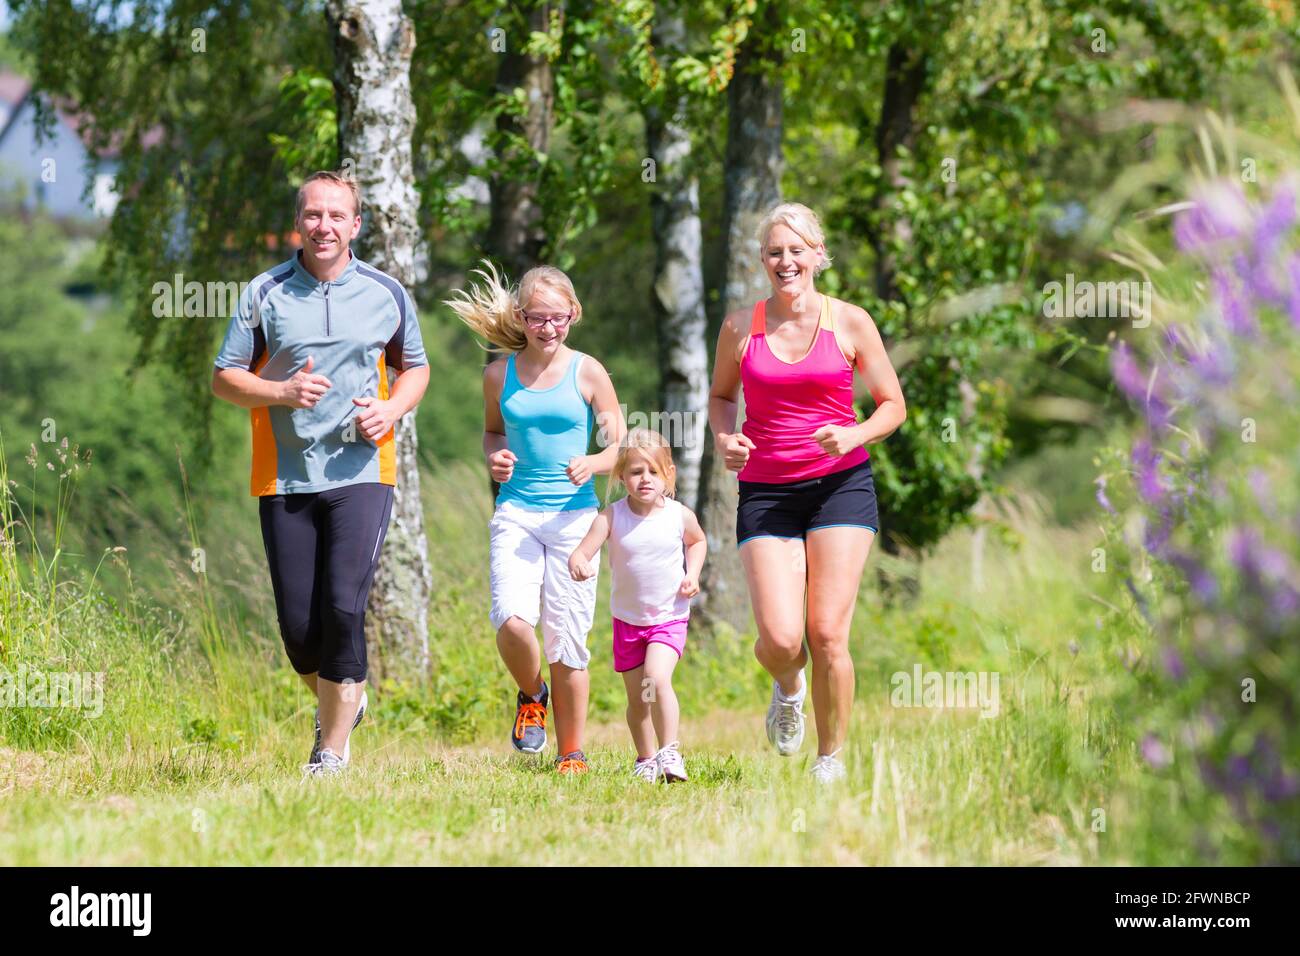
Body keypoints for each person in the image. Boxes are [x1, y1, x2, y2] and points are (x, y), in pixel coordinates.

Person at [212, 170, 429, 776]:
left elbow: (415, 368)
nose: (324, 226)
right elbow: (224, 377)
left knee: (343, 605)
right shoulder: (265, 292)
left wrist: (390, 409)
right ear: (298, 223)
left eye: (337, 216)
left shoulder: (386, 292)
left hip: (363, 472)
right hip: (285, 475)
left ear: (356, 225)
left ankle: (330, 751)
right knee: (299, 628)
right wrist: (281, 391)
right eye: (314, 215)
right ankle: (346, 697)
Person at [707, 201, 907, 783]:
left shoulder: (849, 321)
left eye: (797, 250)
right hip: (766, 490)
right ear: (763, 261)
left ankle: (830, 759)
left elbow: (892, 405)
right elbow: (722, 399)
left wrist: (852, 435)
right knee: (779, 639)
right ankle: (788, 686)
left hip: (841, 487)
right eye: (775, 252)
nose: (786, 261)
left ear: (818, 255)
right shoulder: (741, 327)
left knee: (826, 632)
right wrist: (727, 439)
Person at [445, 261, 627, 774]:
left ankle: (572, 753)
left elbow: (619, 445)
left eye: (559, 317)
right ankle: (532, 694)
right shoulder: (497, 375)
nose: (549, 328)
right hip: (517, 514)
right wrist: (494, 456)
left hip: (575, 520)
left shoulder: (588, 371)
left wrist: (593, 462)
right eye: (537, 318)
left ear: (574, 314)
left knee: (568, 640)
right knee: (511, 622)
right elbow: (492, 432)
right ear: (521, 318)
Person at [568, 428, 707, 783]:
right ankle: (645, 759)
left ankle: (670, 751)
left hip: (668, 618)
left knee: (656, 679)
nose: (645, 479)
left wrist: (692, 574)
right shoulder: (611, 517)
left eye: (653, 472)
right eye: (635, 472)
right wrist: (579, 564)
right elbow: (582, 552)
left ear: (668, 475)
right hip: (628, 622)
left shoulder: (679, 516)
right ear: (621, 476)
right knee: (638, 699)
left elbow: (697, 542)